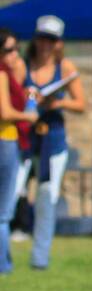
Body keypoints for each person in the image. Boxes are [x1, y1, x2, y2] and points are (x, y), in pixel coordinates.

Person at [20, 15, 86, 270]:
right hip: (25, 135)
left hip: (53, 137)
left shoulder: (65, 67)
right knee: (14, 190)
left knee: (48, 195)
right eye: (42, 38)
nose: (46, 44)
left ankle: (39, 258)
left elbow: (81, 103)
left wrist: (57, 103)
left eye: (52, 40)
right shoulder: (23, 65)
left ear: (59, 43)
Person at [0, 29, 32, 275]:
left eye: (17, 49)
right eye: (10, 49)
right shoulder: (1, 74)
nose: (15, 55)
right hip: (5, 140)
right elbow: (6, 113)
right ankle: (4, 265)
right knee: (3, 212)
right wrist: (29, 115)